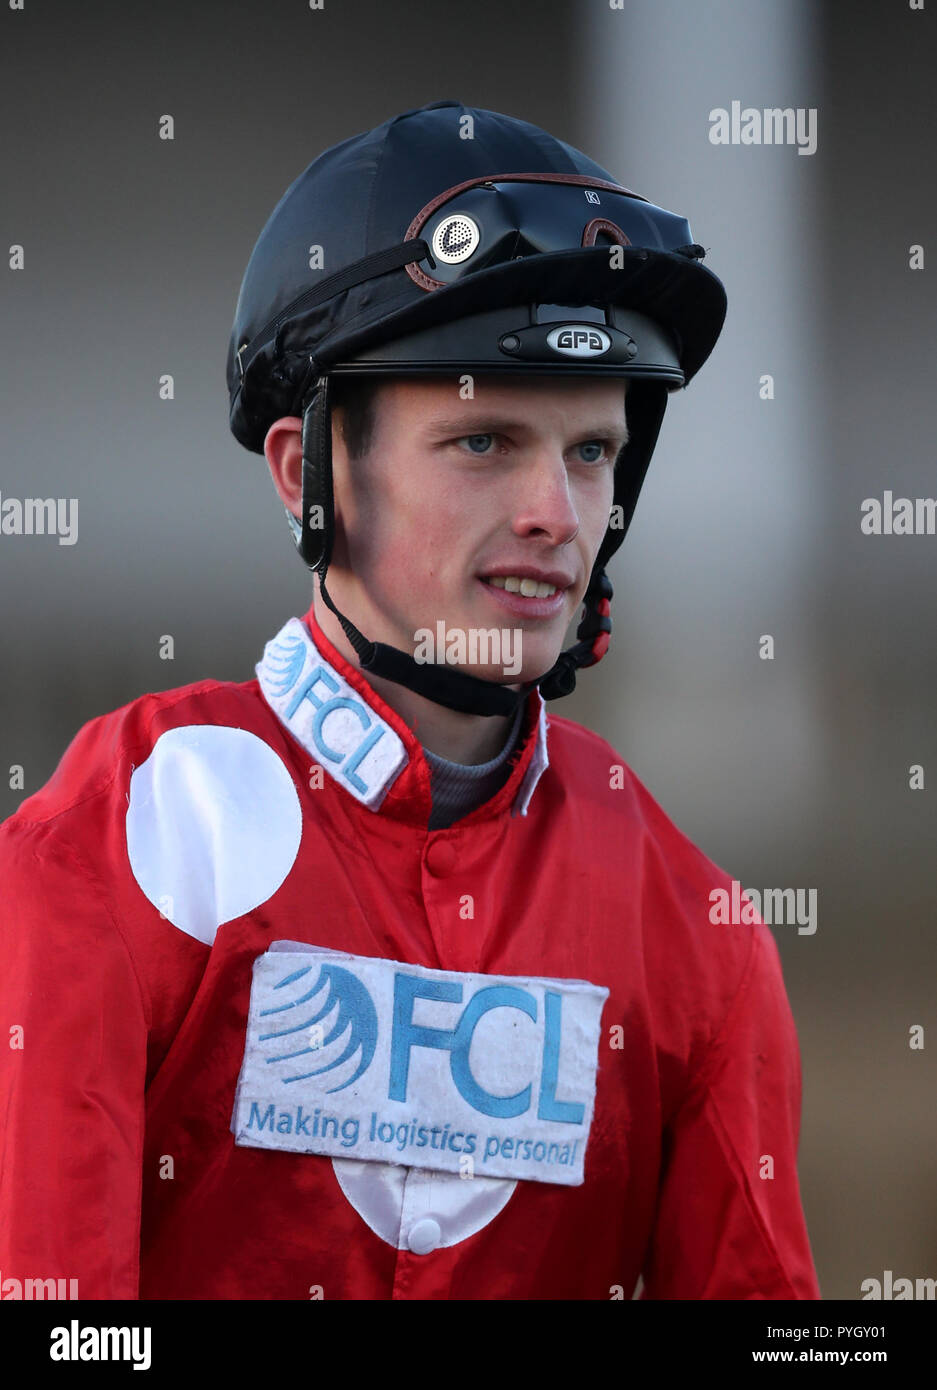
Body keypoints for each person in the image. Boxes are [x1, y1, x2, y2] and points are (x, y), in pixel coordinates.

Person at [0, 100, 820, 1300]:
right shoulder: (104, 840)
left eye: (589, 451)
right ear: (308, 473)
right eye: (485, 442)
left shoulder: (698, 930)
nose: (554, 512)